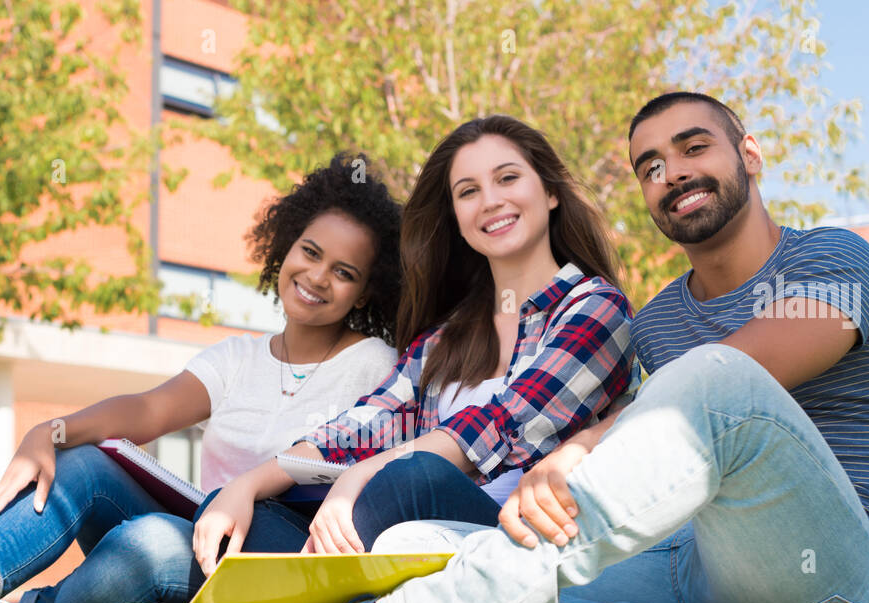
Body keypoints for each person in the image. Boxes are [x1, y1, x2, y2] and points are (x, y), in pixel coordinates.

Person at [213, 92, 869, 603]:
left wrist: (585, 443)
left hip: (852, 584)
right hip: (703, 575)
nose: (673, 172)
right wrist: (578, 452)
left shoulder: (840, 259)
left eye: (693, 148)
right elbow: (665, 438)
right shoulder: (660, 321)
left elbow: (740, 379)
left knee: (720, 377)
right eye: (650, 165)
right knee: (418, 537)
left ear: (749, 156)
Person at [0, 153, 404, 603]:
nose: (318, 277)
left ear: (365, 291)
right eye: (310, 252)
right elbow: (149, 411)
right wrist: (52, 431)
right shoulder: (236, 358)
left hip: (280, 551)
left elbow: (348, 462)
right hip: (201, 529)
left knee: (149, 542)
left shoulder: (374, 362)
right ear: (285, 246)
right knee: (82, 461)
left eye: (344, 273)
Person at [190, 115, 634, 576]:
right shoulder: (445, 338)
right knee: (228, 517)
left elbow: (500, 424)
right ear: (458, 220)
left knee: (414, 476)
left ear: (550, 192)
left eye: (507, 178)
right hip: (406, 550)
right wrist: (248, 483)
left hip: (513, 552)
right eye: (468, 191)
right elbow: (363, 427)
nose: (491, 200)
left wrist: (360, 477)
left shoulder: (595, 309)